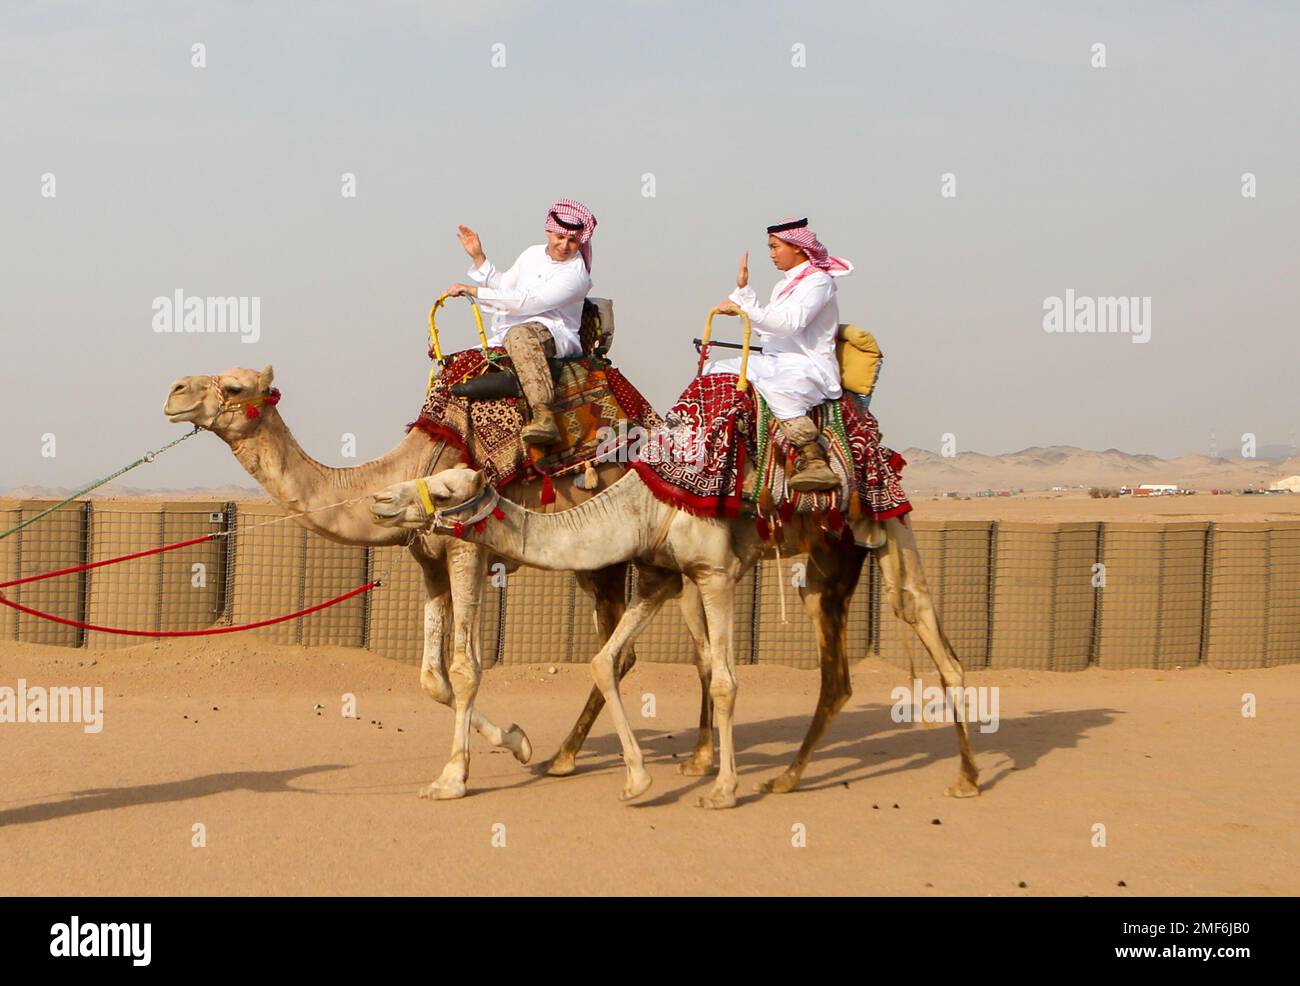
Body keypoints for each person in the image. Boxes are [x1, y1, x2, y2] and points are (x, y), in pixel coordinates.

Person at [707, 217, 853, 491]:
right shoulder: (782, 286)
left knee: (778, 390)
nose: (772, 255)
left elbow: (789, 324)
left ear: (797, 247)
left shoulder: (819, 283)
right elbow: (769, 331)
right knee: (715, 371)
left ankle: (812, 457)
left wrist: (745, 308)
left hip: (806, 367)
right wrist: (743, 293)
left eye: (775, 247)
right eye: (770, 248)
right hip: (774, 362)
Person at [443, 198, 597, 448]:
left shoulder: (575, 275)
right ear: (548, 231)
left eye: (572, 240)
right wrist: (479, 257)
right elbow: (505, 288)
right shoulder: (532, 254)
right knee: (457, 365)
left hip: (551, 331)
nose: (565, 245)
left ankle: (543, 414)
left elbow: (527, 302)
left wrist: (473, 291)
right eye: (559, 237)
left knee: (519, 335)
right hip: (507, 330)